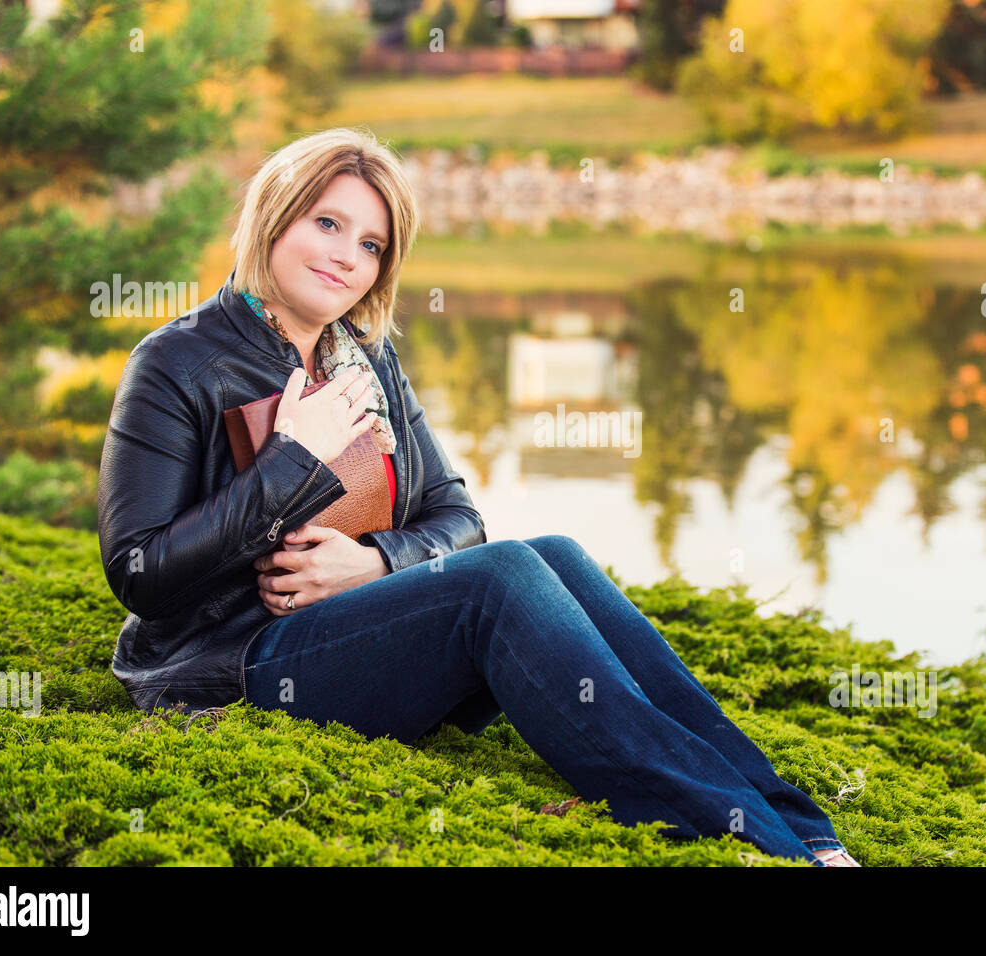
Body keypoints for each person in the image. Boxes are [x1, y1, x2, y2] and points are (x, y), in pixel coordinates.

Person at [97, 126, 859, 867]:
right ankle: (741, 841)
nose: (346, 258)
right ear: (273, 214)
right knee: (500, 579)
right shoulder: (176, 363)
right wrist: (293, 458)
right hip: (234, 664)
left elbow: (457, 517)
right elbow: (139, 573)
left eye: (371, 245)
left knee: (553, 553)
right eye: (327, 222)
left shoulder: (363, 356)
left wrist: (373, 564)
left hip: (354, 623)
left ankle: (801, 829)